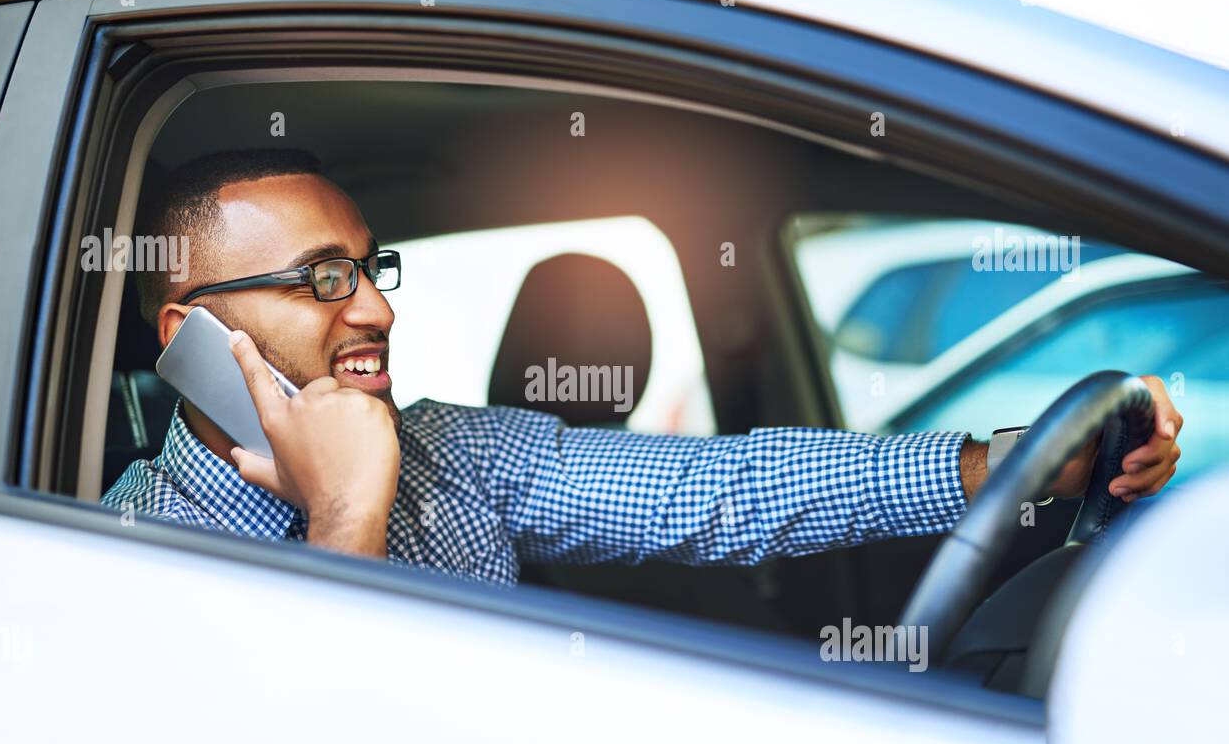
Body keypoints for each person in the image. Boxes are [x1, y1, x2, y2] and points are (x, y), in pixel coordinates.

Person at [103, 150, 1183, 585]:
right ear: (188, 335)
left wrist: (993, 468)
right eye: (321, 280)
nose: (378, 306)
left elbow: (722, 491)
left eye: (371, 270)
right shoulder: (113, 556)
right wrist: (347, 515)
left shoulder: (448, 450)